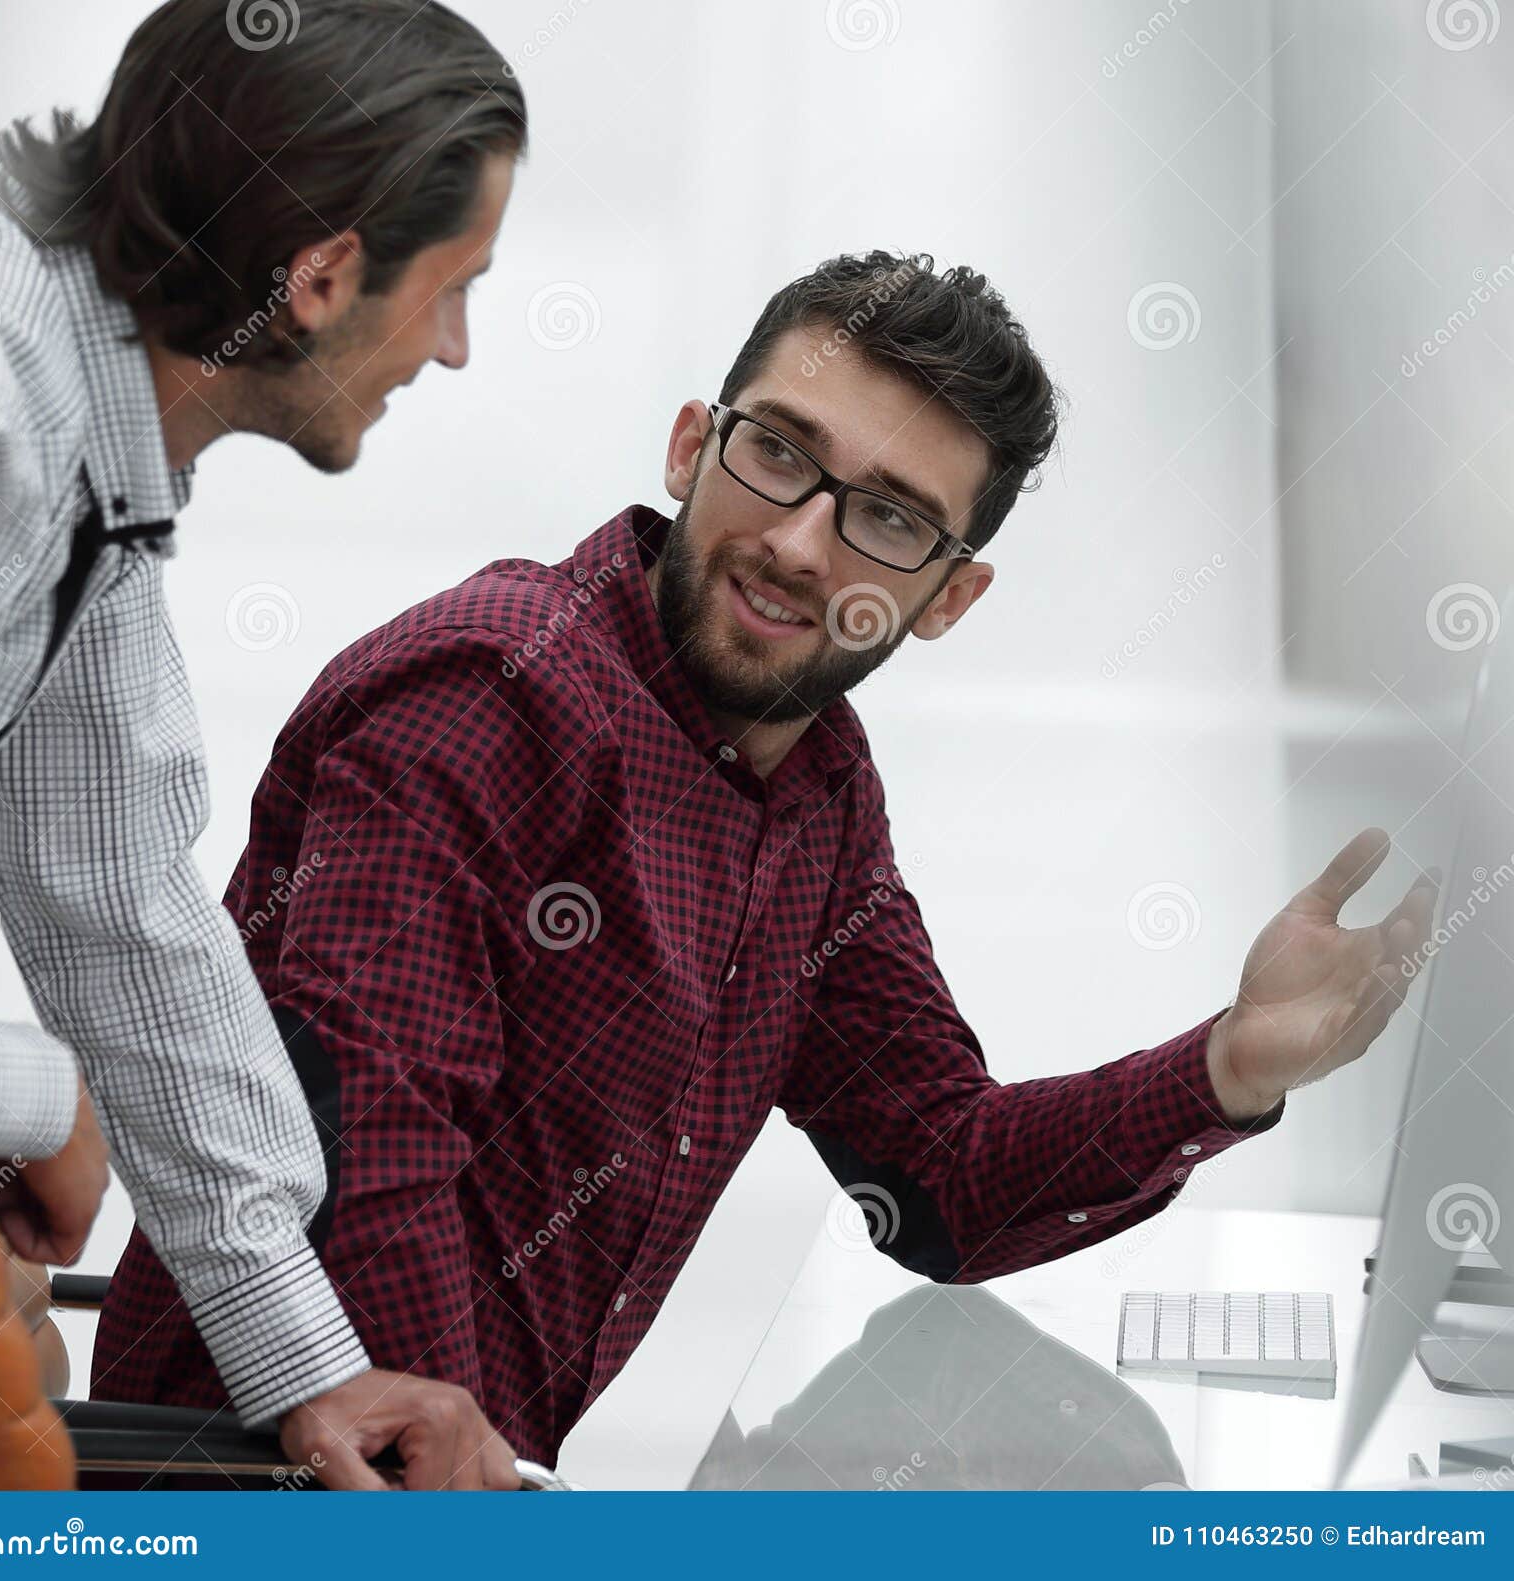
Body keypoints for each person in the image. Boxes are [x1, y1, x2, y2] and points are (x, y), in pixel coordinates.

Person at [91, 251, 1438, 1472]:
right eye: (781, 453)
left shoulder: (822, 792)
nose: (798, 541)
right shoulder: (495, 691)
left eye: (891, 520)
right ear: (693, 444)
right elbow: (367, 1158)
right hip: (263, 1478)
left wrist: (1228, 1063)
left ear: (949, 595)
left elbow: (941, 1180)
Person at [0, 0, 525, 1490]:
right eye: (451, 293)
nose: (452, 352)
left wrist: (305, 1359)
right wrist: (16, 1092)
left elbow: (114, 889)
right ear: (321, 278)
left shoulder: (81, 400)